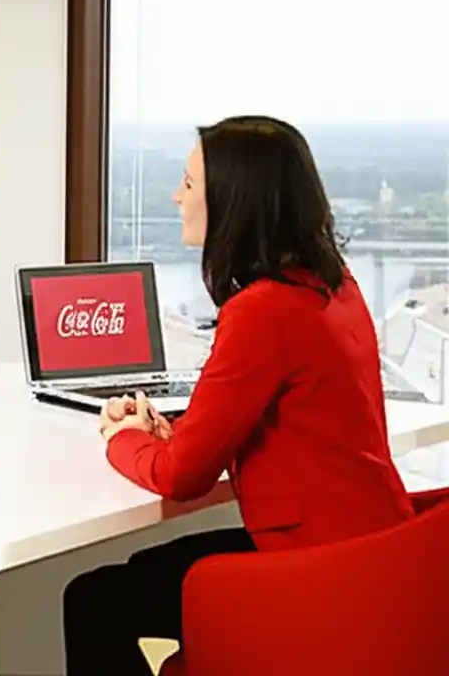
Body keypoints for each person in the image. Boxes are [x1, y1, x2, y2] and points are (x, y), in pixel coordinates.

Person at [62, 115, 414, 675]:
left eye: (190, 184)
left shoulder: (261, 311)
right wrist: (178, 431)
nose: (176, 196)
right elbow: (284, 419)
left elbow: (182, 478)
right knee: (131, 576)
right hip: (376, 556)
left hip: (317, 576)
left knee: (95, 600)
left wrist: (121, 439)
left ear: (234, 202)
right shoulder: (332, 285)